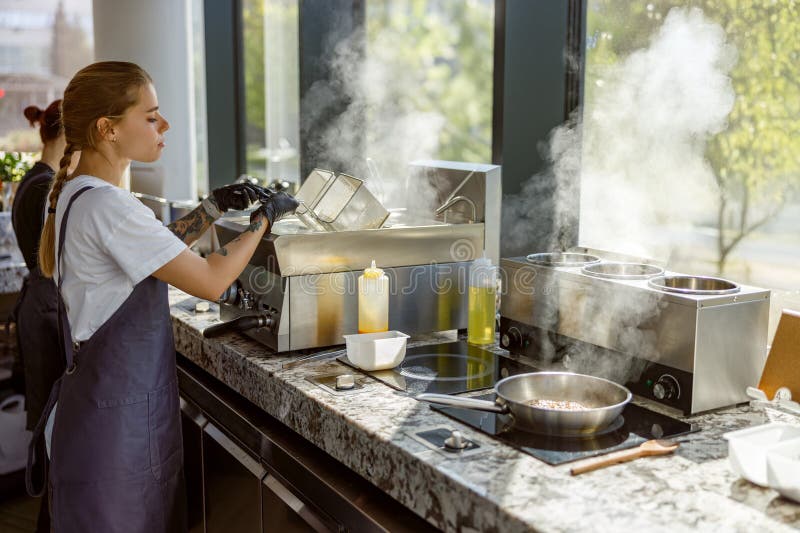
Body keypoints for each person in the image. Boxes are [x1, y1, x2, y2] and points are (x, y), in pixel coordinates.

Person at [24, 61, 298, 533]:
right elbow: (211, 280)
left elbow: (154, 249)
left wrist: (212, 208)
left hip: (96, 422)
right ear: (108, 129)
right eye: (150, 117)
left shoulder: (78, 194)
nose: (164, 125)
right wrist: (265, 219)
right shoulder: (108, 205)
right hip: (118, 441)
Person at [11, 100, 75, 533]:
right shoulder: (45, 187)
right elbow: (56, 258)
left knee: (50, 426)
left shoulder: (34, 179)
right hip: (46, 309)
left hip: (41, 305)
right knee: (55, 427)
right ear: (67, 135)